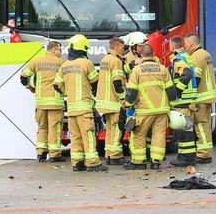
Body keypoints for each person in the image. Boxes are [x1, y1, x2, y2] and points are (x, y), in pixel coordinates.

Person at [53, 34, 106, 171]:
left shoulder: (64, 66)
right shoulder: (86, 63)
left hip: (71, 109)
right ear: (83, 49)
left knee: (75, 137)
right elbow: (95, 82)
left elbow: (57, 85)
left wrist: (67, 93)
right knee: (88, 136)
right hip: (84, 108)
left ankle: (77, 163)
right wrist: (93, 93)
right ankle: (93, 163)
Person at [123, 42, 170, 169]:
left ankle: (139, 162)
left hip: (144, 109)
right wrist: (173, 107)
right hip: (162, 109)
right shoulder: (163, 69)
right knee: (159, 135)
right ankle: (156, 161)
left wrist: (128, 104)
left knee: (139, 134)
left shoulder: (136, 70)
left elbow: (132, 92)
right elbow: (171, 91)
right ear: (153, 54)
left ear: (141, 55)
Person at [20, 41, 66, 162]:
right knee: (54, 128)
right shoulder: (62, 63)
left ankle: (41, 153)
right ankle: (54, 154)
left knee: (42, 127)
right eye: (60, 50)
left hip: (40, 102)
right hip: (55, 102)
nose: (60, 53)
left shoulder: (36, 61)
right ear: (54, 49)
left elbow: (23, 77)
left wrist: (29, 87)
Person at [183, 33, 216, 163]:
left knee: (201, 125)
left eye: (185, 44)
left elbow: (194, 78)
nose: (184, 47)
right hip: (207, 95)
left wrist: (189, 96)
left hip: (200, 96)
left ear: (190, 44)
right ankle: (205, 152)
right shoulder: (205, 53)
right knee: (205, 124)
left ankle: (204, 154)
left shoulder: (196, 56)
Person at [166, 35, 199, 167]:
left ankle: (185, 158)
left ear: (172, 46)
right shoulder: (187, 56)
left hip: (183, 99)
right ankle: (188, 157)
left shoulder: (179, 59)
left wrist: (176, 90)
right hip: (189, 98)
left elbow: (186, 74)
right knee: (187, 128)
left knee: (183, 129)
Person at [96, 37, 128, 165]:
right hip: (114, 101)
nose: (123, 49)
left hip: (104, 101)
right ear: (116, 46)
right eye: (122, 46)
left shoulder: (105, 59)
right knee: (116, 129)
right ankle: (115, 156)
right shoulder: (116, 61)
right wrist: (123, 99)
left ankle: (109, 153)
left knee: (109, 128)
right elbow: (117, 82)